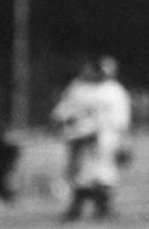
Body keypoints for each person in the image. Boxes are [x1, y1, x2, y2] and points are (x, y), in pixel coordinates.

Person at [51, 56, 132, 219]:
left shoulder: (114, 90)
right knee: (80, 173)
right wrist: (63, 124)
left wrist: (124, 141)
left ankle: (103, 208)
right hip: (80, 138)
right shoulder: (78, 88)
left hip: (106, 139)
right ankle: (76, 208)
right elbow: (63, 111)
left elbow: (121, 120)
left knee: (104, 173)